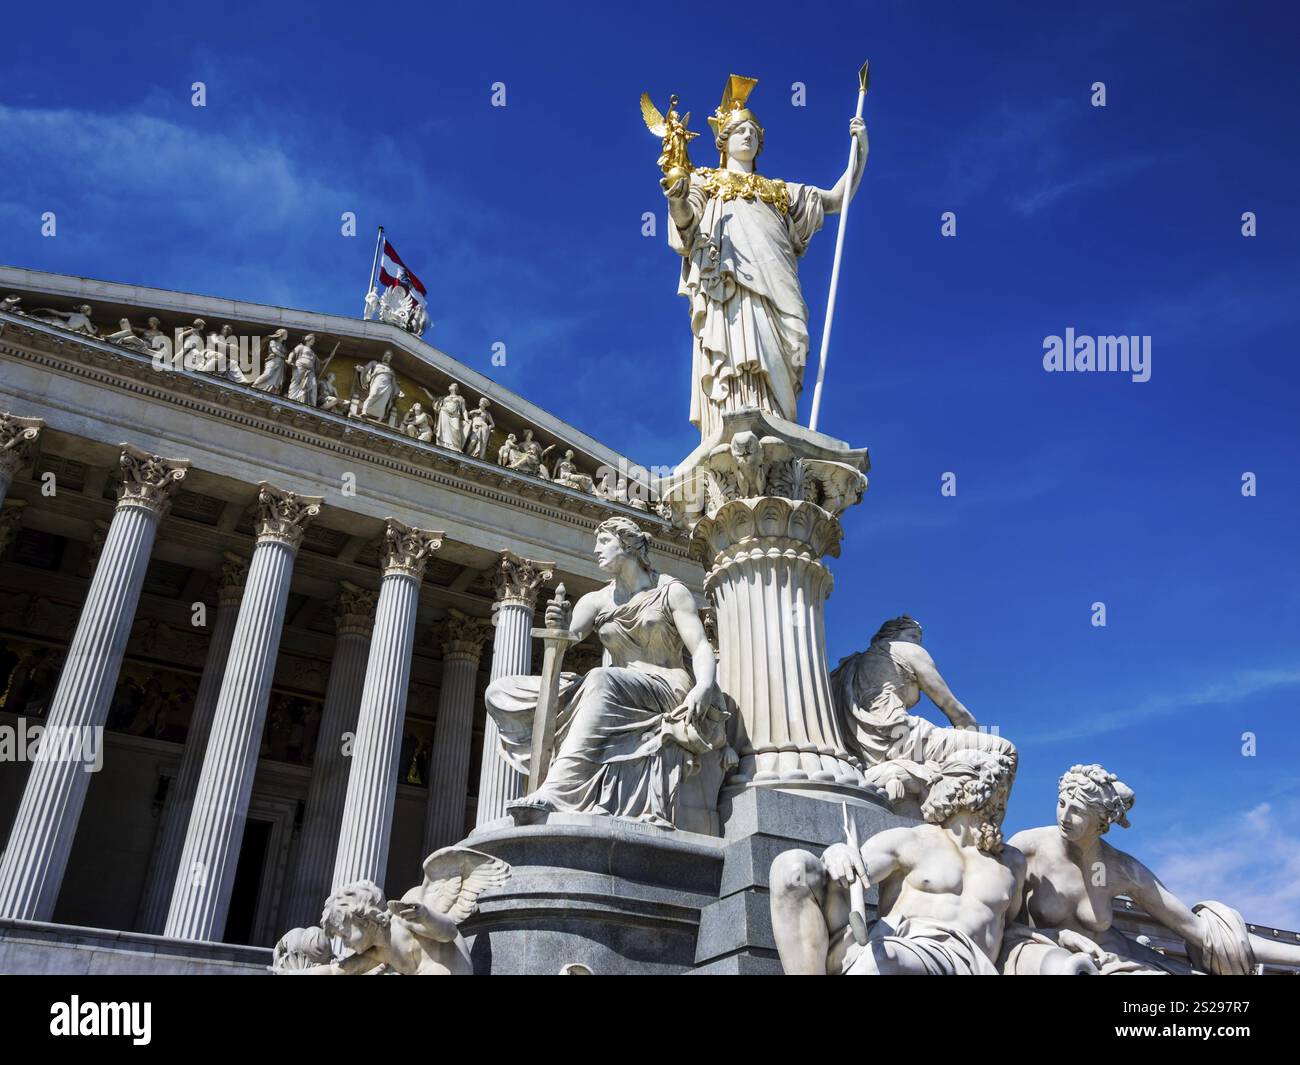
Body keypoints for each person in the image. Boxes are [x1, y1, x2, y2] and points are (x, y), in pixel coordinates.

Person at [485, 517, 729, 831]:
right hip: (615, 686)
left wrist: (705, 686)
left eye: (603, 542)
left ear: (626, 544)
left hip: (666, 686)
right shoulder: (595, 601)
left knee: (601, 678)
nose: (596, 551)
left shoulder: (670, 591)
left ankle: (559, 790)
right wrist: (557, 627)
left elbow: (699, 648)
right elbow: (560, 647)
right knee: (501, 690)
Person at [664, 77, 867, 438]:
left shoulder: (780, 192)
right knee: (736, 343)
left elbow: (837, 200)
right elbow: (685, 227)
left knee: (789, 340)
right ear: (722, 140)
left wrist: (860, 150)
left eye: (754, 132)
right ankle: (736, 418)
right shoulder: (706, 183)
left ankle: (778, 421)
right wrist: (677, 197)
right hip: (729, 285)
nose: (748, 137)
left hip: (779, 281)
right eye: (739, 130)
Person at [1003, 764, 1300, 975]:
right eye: (1062, 802)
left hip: (1118, 961)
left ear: (1102, 822)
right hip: (1049, 961)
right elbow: (999, 925)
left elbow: (1202, 934)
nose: (1063, 815)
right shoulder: (1028, 846)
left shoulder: (1122, 869)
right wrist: (1058, 938)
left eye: (1077, 810)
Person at [769, 747, 1022, 975]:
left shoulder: (1011, 862)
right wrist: (837, 853)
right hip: (896, 946)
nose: (999, 801)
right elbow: (854, 873)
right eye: (996, 791)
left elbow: (1012, 928)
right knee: (792, 867)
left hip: (956, 961)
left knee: (882, 959)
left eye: (1001, 795)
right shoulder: (911, 840)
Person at [830, 616, 1016, 814]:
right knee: (1004, 749)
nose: (918, 643)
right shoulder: (905, 649)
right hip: (902, 739)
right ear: (895, 635)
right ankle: (979, 830)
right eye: (914, 636)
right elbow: (952, 707)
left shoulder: (848, 666)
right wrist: (977, 735)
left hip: (861, 749)